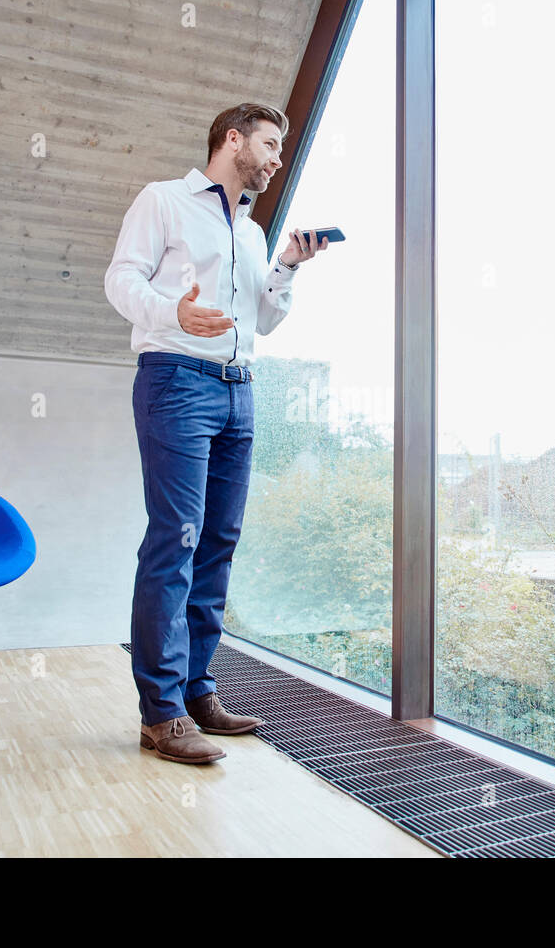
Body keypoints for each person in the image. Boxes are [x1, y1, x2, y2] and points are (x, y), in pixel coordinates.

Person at [104, 103, 330, 764]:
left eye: (282, 151)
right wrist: (171, 310)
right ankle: (161, 713)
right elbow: (119, 279)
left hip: (239, 390)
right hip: (176, 379)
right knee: (173, 543)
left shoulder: (254, 233)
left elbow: (263, 318)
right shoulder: (164, 201)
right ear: (232, 140)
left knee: (218, 546)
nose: (275, 158)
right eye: (268, 144)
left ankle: (198, 691)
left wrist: (287, 264)